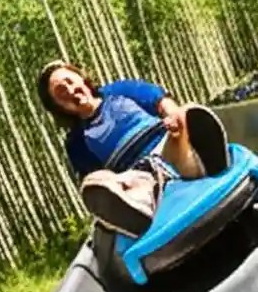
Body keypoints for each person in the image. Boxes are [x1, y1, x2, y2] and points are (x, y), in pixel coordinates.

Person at [36, 60, 231, 237]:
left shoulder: (121, 90)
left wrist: (174, 116)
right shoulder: (76, 143)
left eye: (70, 82)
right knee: (96, 180)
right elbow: (96, 176)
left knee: (186, 115)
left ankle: (202, 161)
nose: (70, 91)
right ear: (59, 107)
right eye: (61, 92)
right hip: (136, 174)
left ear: (81, 79)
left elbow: (163, 103)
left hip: (167, 145)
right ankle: (137, 211)